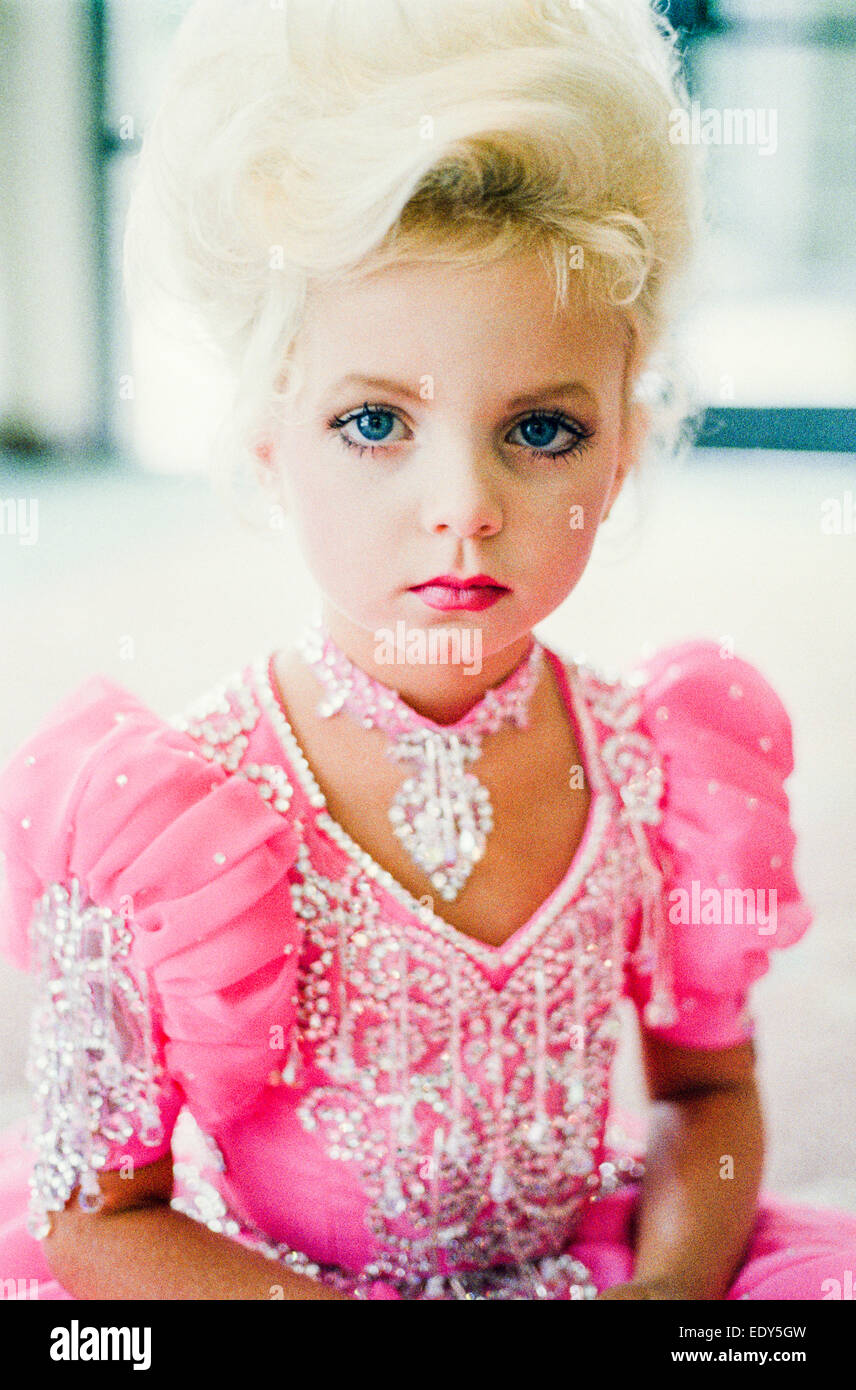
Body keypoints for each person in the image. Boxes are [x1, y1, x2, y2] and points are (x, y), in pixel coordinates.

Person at [0, 0, 854, 1301]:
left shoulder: (671, 767)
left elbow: (713, 1092)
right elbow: (97, 1221)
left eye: (544, 430)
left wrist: (659, 1303)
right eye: (374, 422)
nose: (464, 503)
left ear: (624, 447)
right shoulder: (159, 826)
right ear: (268, 434)